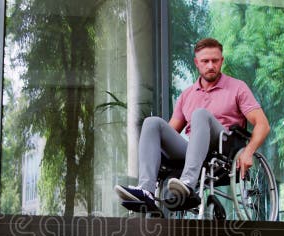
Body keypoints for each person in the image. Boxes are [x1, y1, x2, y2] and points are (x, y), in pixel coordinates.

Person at [114, 37, 270, 211]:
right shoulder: (187, 95)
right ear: (197, 62)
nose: (211, 66)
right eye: (205, 61)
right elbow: (170, 131)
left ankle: (187, 183)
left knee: (200, 114)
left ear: (221, 61)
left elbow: (263, 124)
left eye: (215, 61)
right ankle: (146, 190)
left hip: (224, 147)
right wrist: (152, 155)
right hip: (193, 149)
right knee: (152, 123)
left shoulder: (237, 87)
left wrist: (249, 151)